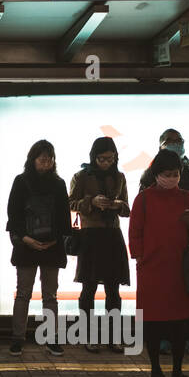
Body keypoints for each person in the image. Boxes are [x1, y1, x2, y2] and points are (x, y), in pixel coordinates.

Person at [130, 149, 189, 377]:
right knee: (153, 323)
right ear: (156, 174)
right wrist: (140, 258)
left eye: (176, 174)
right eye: (167, 174)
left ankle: (177, 371)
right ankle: (155, 369)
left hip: (180, 270)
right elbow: (135, 232)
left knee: (179, 326)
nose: (172, 178)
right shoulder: (143, 198)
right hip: (152, 269)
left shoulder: (187, 197)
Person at [146, 128, 189, 356]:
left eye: (178, 140)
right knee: (164, 294)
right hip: (161, 248)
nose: (175, 144)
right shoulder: (149, 175)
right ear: (160, 145)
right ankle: (163, 338)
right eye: (169, 141)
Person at [7, 140, 70, 355]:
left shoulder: (59, 183)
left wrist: (52, 239)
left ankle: (50, 338)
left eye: (49, 159)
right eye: (42, 158)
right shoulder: (21, 181)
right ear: (32, 159)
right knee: (24, 293)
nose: (46, 163)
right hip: (29, 245)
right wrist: (26, 239)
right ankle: (18, 337)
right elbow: (13, 214)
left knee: (49, 295)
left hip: (48, 245)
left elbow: (64, 217)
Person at [68, 136, 131, 353]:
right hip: (90, 235)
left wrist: (117, 204)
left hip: (112, 235)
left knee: (113, 289)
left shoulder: (120, 177)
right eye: (102, 159)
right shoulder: (81, 176)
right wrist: (91, 202)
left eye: (110, 159)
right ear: (93, 157)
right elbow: (69, 204)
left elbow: (127, 209)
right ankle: (88, 336)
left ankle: (113, 337)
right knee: (89, 287)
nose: (106, 163)